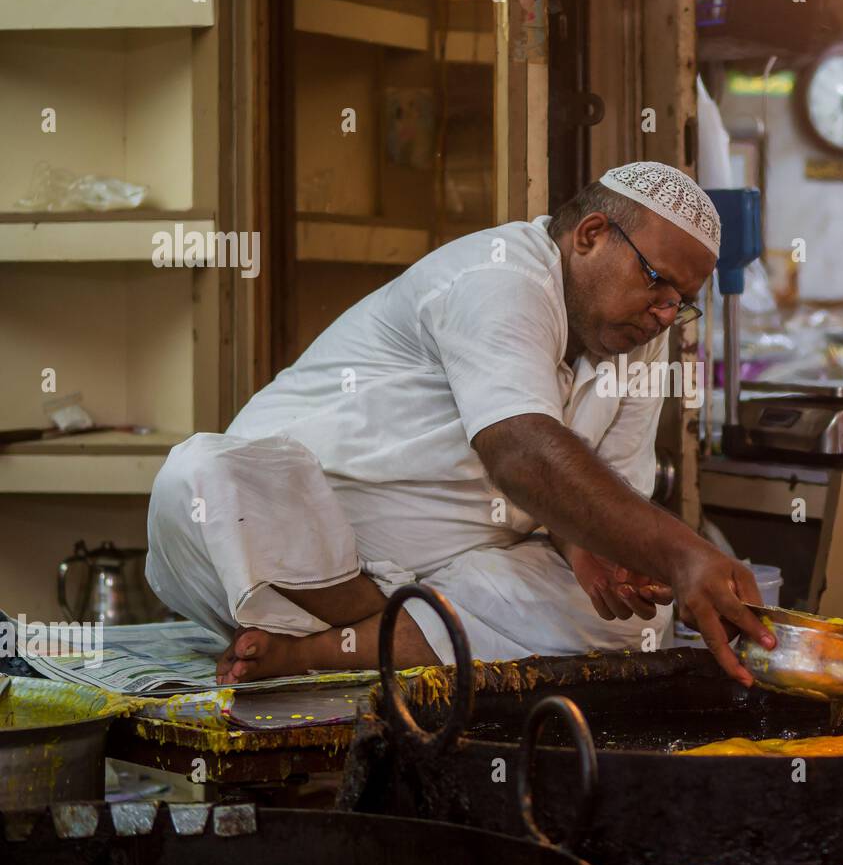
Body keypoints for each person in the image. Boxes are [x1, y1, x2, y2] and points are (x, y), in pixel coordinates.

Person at [146, 162, 773, 686]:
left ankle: (310, 654)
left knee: (631, 622)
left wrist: (591, 550)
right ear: (591, 234)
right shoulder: (500, 274)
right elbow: (520, 452)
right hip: (299, 569)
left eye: (681, 303)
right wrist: (687, 554)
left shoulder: (640, 340)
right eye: (657, 283)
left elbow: (604, 497)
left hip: (454, 574)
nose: (666, 315)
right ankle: (374, 630)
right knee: (199, 476)